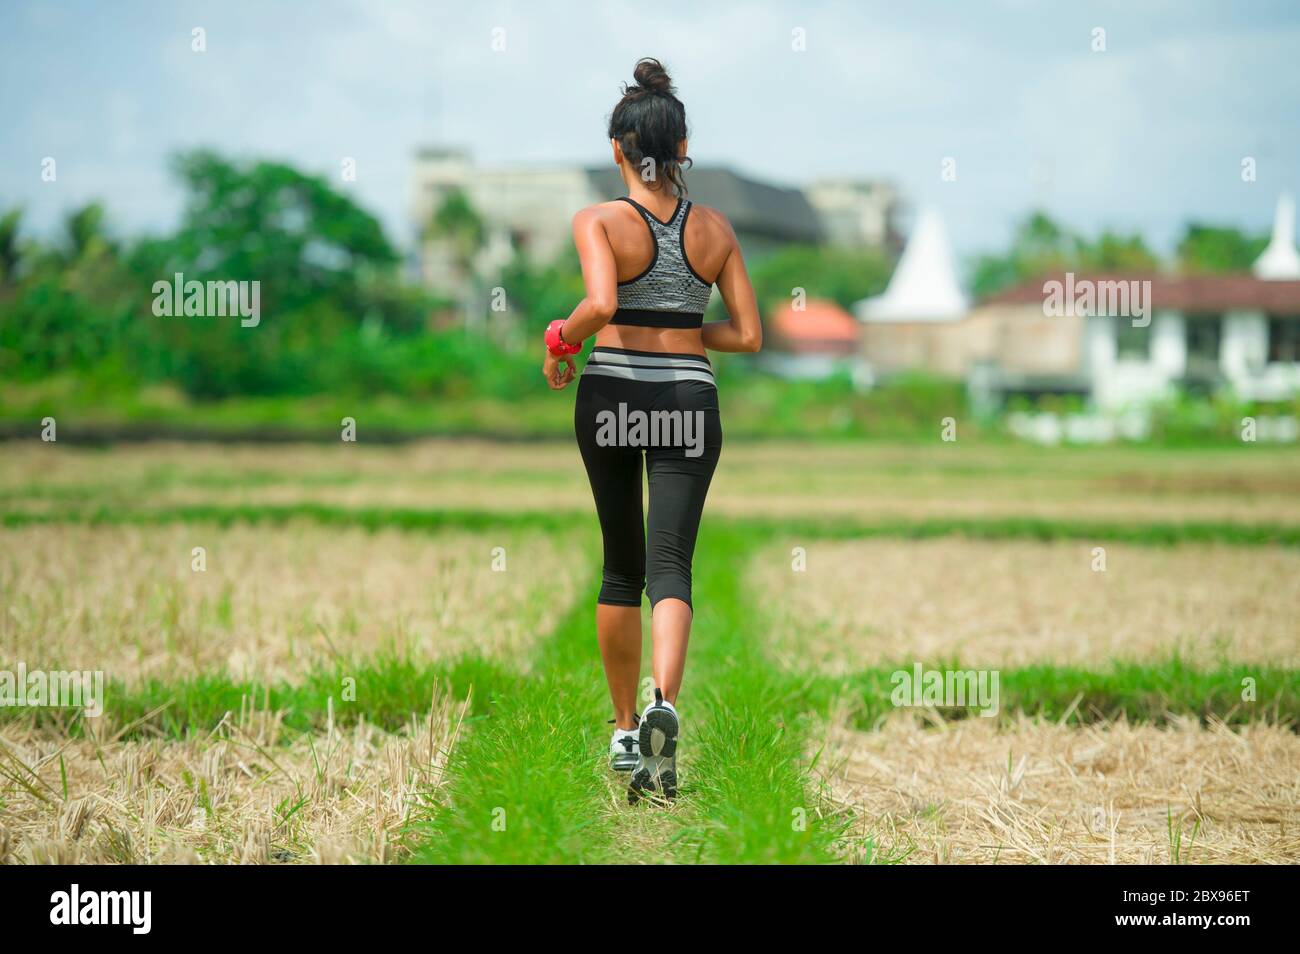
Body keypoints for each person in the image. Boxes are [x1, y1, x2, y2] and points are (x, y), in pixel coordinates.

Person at [542, 57, 761, 803]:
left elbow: (600, 304)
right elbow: (749, 335)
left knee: (620, 567)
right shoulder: (717, 229)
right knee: (672, 567)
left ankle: (627, 725)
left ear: (616, 149)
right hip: (689, 400)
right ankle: (666, 702)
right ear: (683, 147)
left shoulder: (599, 220)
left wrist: (561, 341)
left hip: (610, 391)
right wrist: (686, 333)